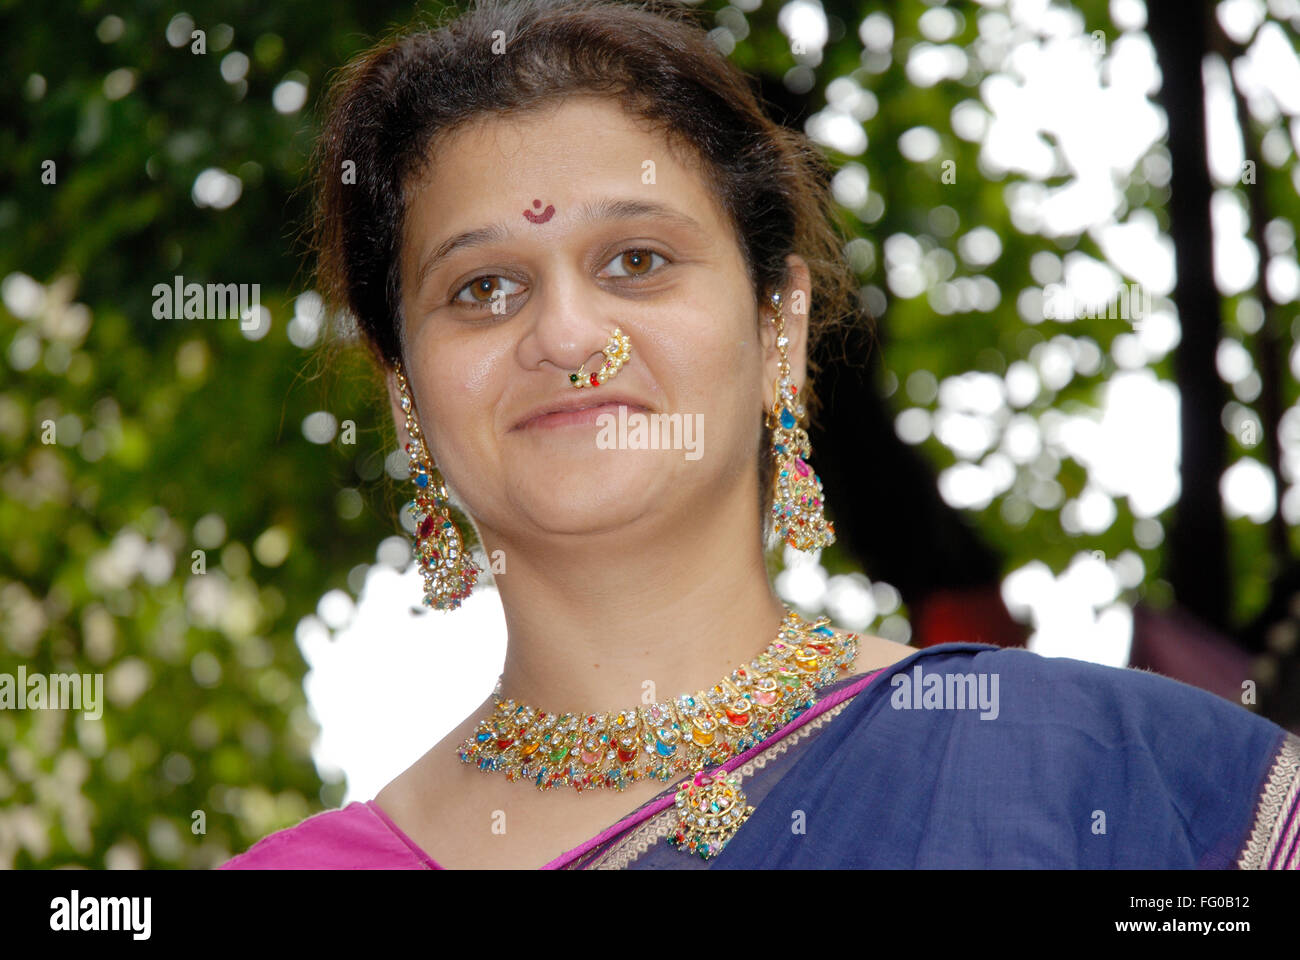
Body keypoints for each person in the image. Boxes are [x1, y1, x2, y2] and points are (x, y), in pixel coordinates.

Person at [221, 0, 1299, 870]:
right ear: (405, 388)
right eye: (483, 285)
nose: (565, 334)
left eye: (636, 261)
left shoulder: (1114, 777)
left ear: (778, 329)